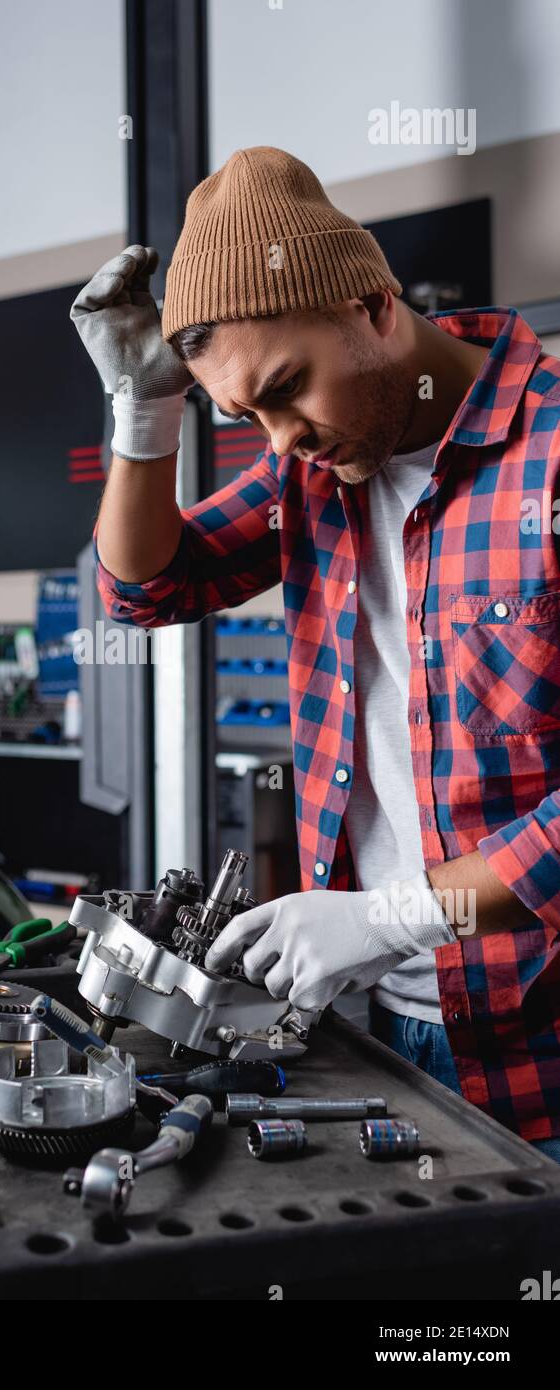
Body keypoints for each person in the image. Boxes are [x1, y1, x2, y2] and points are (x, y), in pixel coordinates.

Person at [71, 146, 560, 1160]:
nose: (282, 440)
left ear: (376, 309)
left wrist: (395, 913)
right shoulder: (315, 471)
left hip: (539, 1041)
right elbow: (143, 587)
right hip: (374, 1025)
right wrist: (144, 416)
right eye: (248, 416)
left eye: (289, 386)